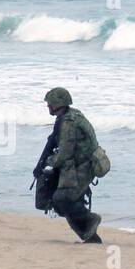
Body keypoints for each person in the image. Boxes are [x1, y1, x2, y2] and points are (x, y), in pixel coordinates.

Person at [34, 87, 103, 243]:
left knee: (62, 199)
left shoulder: (68, 123)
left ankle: (90, 221)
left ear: (58, 104)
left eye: (50, 104)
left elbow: (64, 153)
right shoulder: (70, 116)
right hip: (77, 165)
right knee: (61, 200)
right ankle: (90, 237)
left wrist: (47, 165)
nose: (48, 107)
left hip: (82, 167)